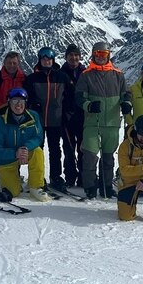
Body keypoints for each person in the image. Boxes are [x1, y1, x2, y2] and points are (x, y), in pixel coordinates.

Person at [75, 41, 131, 199]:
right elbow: (79, 97)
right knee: (90, 156)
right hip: (93, 123)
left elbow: (125, 93)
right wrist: (89, 105)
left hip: (112, 124)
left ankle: (106, 185)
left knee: (108, 157)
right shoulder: (86, 75)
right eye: (98, 54)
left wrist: (126, 103)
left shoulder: (118, 74)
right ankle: (90, 186)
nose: (100, 57)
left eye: (104, 54)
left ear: (109, 55)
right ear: (93, 54)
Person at [25, 47, 74, 194]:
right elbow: (26, 99)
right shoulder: (32, 79)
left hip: (56, 120)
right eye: (44, 59)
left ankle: (55, 177)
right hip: (37, 121)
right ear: (40, 60)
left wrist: (67, 114)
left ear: (53, 60)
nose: (47, 61)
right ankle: (36, 177)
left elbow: (70, 97)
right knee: (37, 150)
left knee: (55, 150)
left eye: (49, 59)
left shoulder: (61, 77)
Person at [0, 87, 47, 205]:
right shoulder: (0, 122)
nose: (18, 105)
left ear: (26, 103)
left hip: (25, 152)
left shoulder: (33, 116)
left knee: (37, 152)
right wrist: (15, 153)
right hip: (6, 160)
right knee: (13, 192)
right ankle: (10, 180)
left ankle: (35, 186)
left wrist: (25, 148)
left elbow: (38, 137)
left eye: (21, 101)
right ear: (9, 102)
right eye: (14, 101)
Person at [0, 51, 26, 186]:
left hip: (17, 118)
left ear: (18, 63)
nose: (12, 65)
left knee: (15, 144)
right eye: (9, 63)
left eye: (14, 63)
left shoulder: (23, 79)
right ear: (4, 63)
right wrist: (7, 109)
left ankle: (14, 172)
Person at [60, 44, 85, 187]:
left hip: (82, 116)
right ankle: (70, 177)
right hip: (66, 117)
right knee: (68, 149)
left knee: (83, 148)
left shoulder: (85, 72)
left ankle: (82, 177)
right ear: (66, 57)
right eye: (71, 55)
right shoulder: (61, 73)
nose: (73, 58)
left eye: (76, 55)